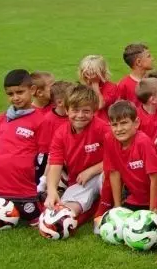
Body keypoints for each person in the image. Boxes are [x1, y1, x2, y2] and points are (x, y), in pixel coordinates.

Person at [0, 69, 48, 225]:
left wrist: (39, 183)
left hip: (24, 186)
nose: (15, 98)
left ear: (32, 90)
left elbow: (43, 155)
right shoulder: (1, 119)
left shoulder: (41, 120)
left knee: (34, 220)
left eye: (19, 92)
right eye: (10, 94)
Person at [42, 85, 115, 222]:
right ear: (67, 111)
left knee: (110, 175)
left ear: (94, 111)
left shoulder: (103, 129)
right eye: (75, 110)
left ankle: (105, 210)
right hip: (80, 181)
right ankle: (92, 206)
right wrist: (51, 192)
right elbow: (55, 164)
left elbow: (117, 158)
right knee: (65, 212)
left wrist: (92, 170)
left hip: (103, 174)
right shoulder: (60, 134)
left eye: (86, 111)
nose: (80, 115)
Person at [103, 100, 157, 214]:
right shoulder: (109, 139)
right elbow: (114, 172)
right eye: (114, 124)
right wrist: (117, 207)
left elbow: (155, 178)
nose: (119, 129)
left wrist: (152, 211)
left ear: (136, 123)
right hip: (136, 199)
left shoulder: (143, 142)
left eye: (124, 123)